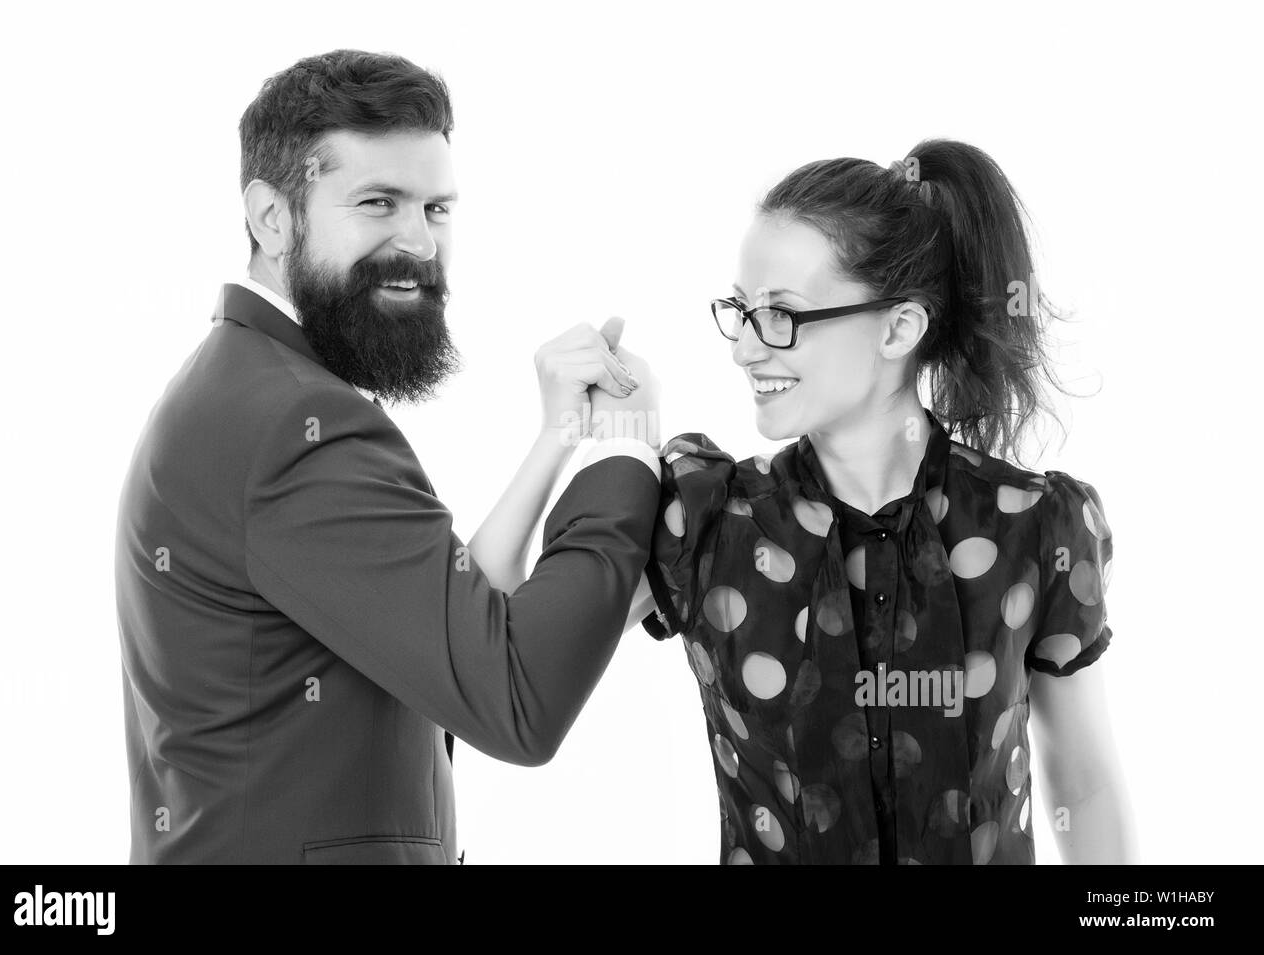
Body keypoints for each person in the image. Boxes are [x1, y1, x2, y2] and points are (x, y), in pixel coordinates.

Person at [478, 139, 1136, 864]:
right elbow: (503, 647)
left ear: (898, 327)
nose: (745, 349)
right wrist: (561, 436)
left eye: (782, 314)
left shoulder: (1036, 526)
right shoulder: (705, 525)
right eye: (741, 310)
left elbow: (1084, 783)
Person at [115, 49, 661, 864]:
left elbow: (458, 620)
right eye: (379, 203)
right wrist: (629, 448)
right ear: (272, 216)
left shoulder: (257, 386)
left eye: (437, 208)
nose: (419, 242)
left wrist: (561, 438)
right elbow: (515, 697)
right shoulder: (292, 423)